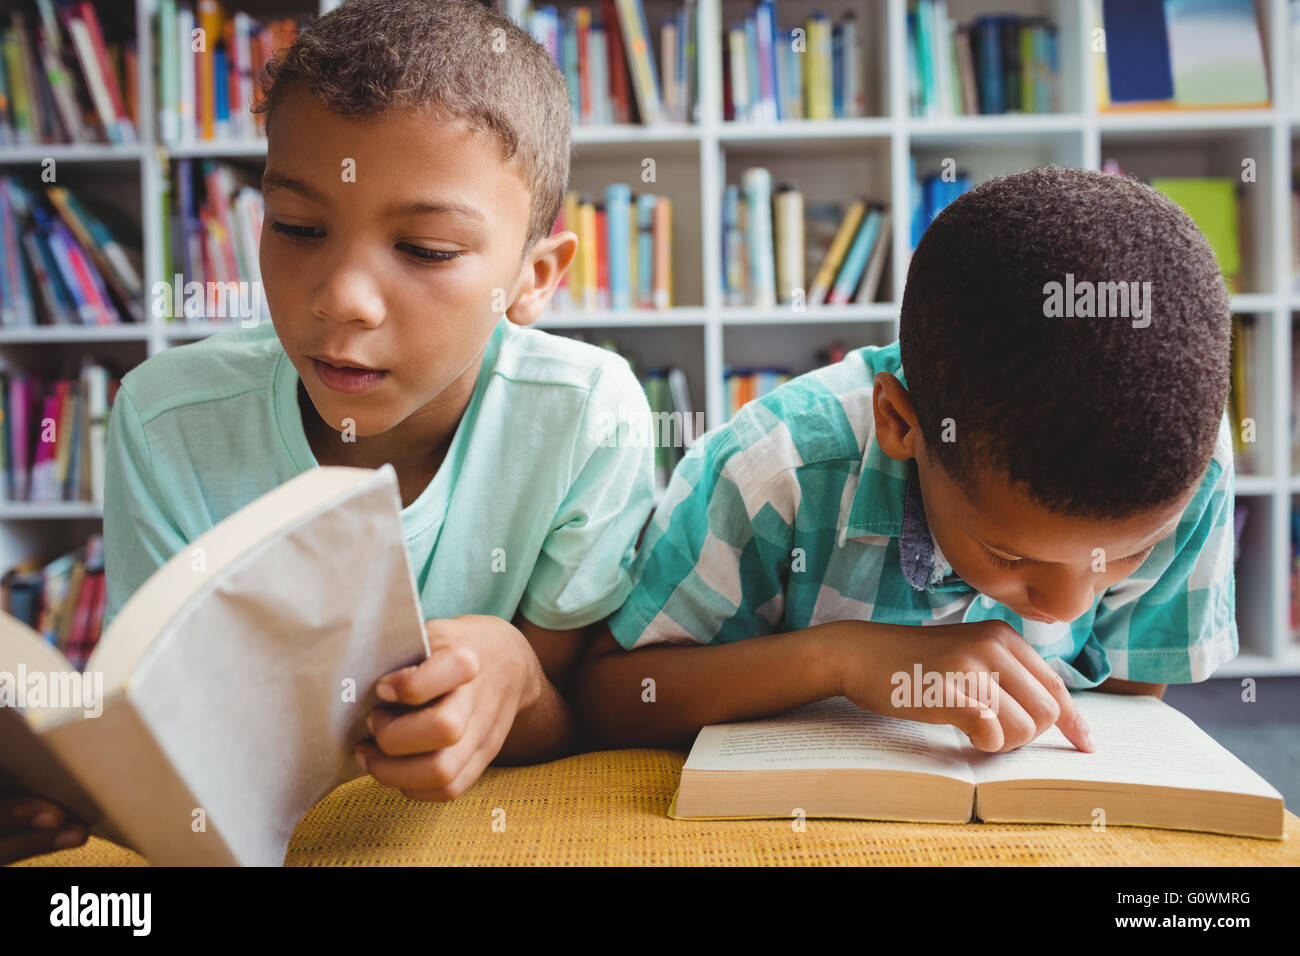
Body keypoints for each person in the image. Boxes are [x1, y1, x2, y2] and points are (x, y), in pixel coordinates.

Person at [573, 166, 1237, 756]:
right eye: (1009, 556)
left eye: (1125, 555)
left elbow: (1130, 718)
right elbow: (605, 697)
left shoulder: (1186, 466)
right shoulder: (776, 466)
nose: (1060, 610)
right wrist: (839, 659)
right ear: (899, 421)